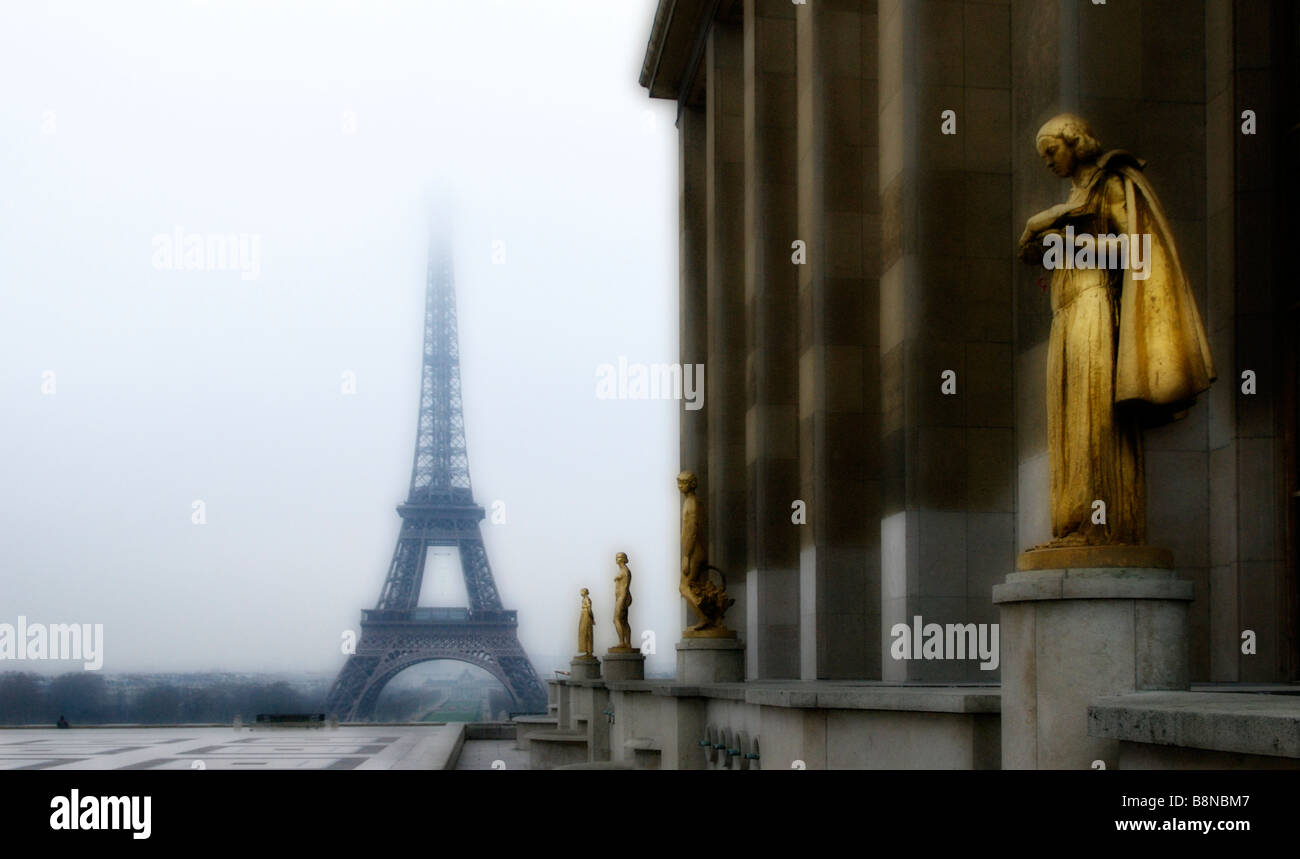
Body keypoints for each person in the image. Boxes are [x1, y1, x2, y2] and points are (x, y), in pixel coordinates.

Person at [1017, 114, 1214, 546]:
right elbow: (1037, 254)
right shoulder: (1075, 197)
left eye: (1052, 150)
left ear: (1075, 143)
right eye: (1043, 156)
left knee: (1094, 420)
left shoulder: (1111, 184)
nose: (1048, 162)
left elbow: (1137, 247)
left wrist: (1058, 232)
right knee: (1069, 423)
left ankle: (1102, 526)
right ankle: (1071, 524)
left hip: (1095, 309)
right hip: (1066, 316)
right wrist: (1041, 235)